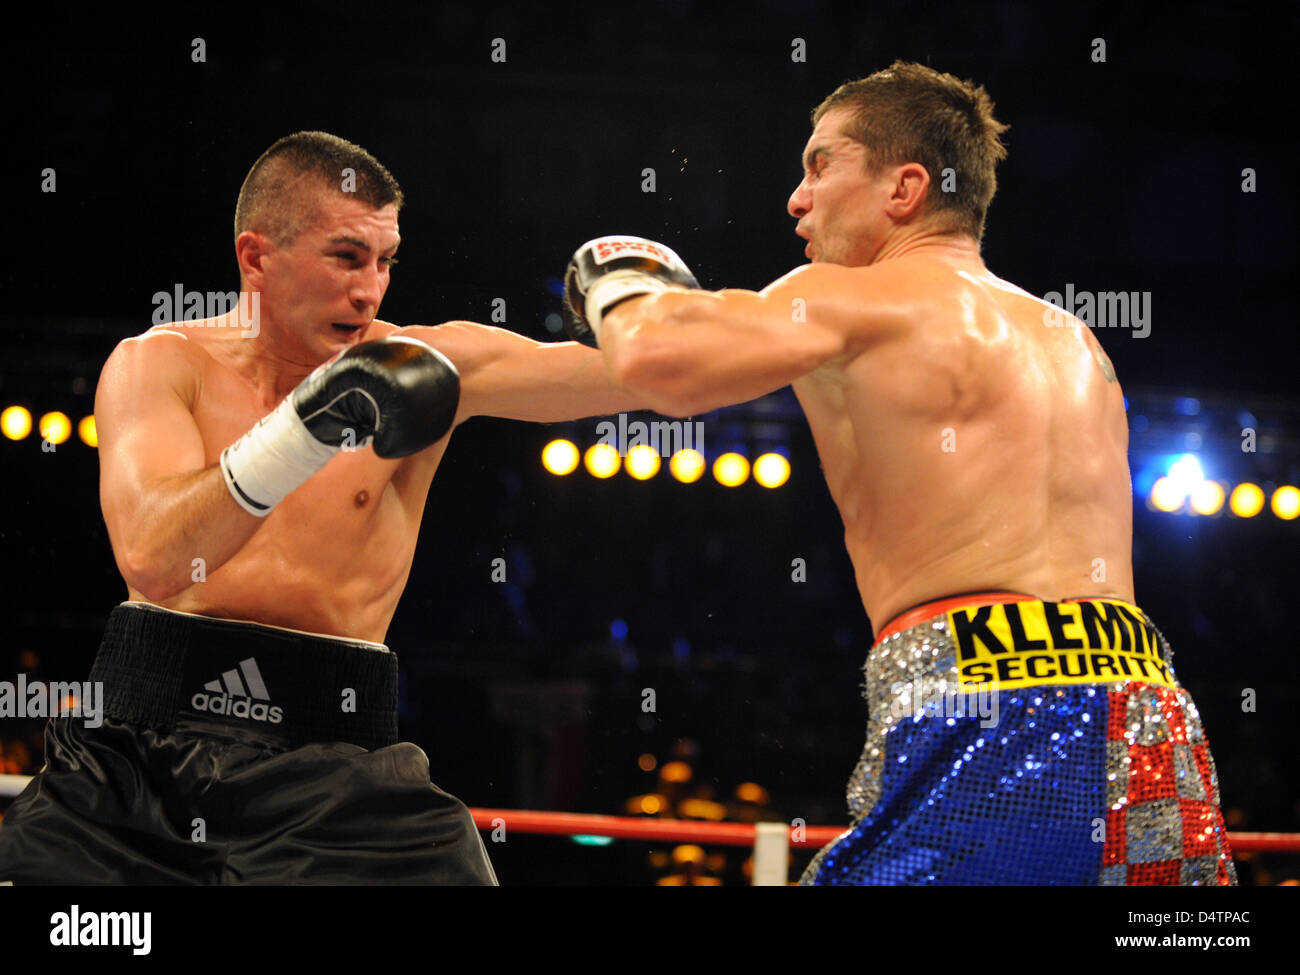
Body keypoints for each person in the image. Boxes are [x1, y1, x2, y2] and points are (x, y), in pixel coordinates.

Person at [563, 62, 1236, 885]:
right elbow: (610, 371)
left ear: (905, 187)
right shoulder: (1074, 338)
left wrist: (619, 276)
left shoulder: (853, 301)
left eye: (820, 164)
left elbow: (655, 362)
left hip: (989, 704)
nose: (796, 199)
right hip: (1147, 710)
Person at [0, 131, 642, 884]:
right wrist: (305, 428)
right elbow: (154, 555)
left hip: (341, 779)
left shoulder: (424, 369)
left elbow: (631, 378)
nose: (370, 289)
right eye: (346, 256)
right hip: (133, 772)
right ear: (256, 257)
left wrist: (659, 315)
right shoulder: (161, 364)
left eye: (385, 260)